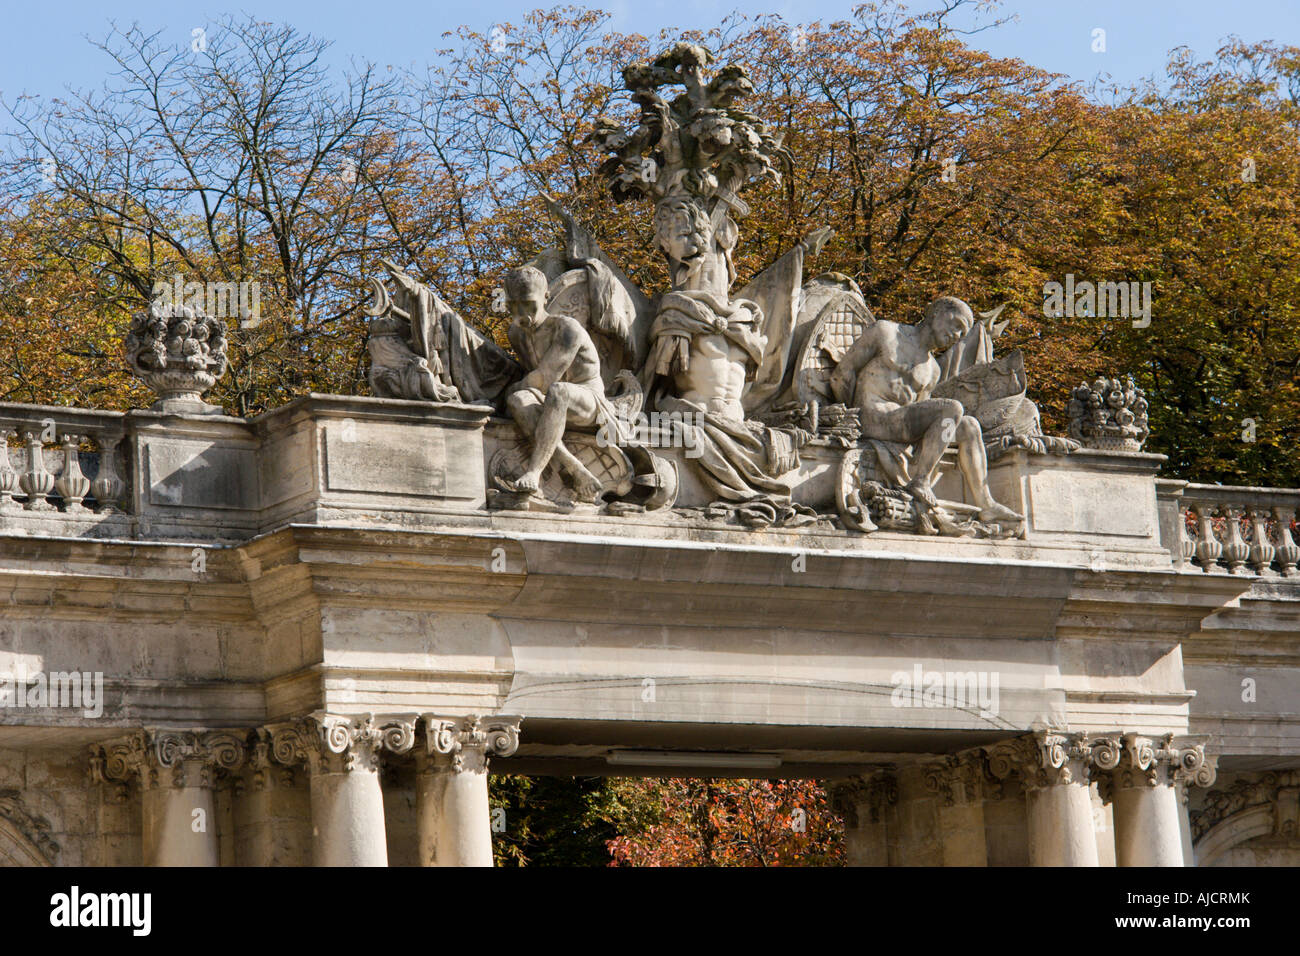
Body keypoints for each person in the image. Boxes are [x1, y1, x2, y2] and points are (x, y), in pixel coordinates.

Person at [829, 295, 1021, 524]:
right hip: (871, 417)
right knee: (952, 408)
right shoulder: (886, 332)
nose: (958, 335)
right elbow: (843, 374)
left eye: (963, 332)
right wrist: (848, 416)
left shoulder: (933, 370)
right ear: (937, 312)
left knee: (969, 425)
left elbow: (922, 415)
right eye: (957, 325)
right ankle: (920, 481)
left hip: (899, 425)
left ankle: (986, 503)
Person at [499, 266, 623, 501]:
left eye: (527, 303)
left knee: (558, 391)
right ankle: (575, 467)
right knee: (517, 400)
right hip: (551, 403)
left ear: (545, 297)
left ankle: (534, 472)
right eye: (513, 306)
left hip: (590, 403)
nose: (521, 312)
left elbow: (544, 379)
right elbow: (529, 384)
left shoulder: (566, 328)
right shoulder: (516, 334)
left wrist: (519, 387)